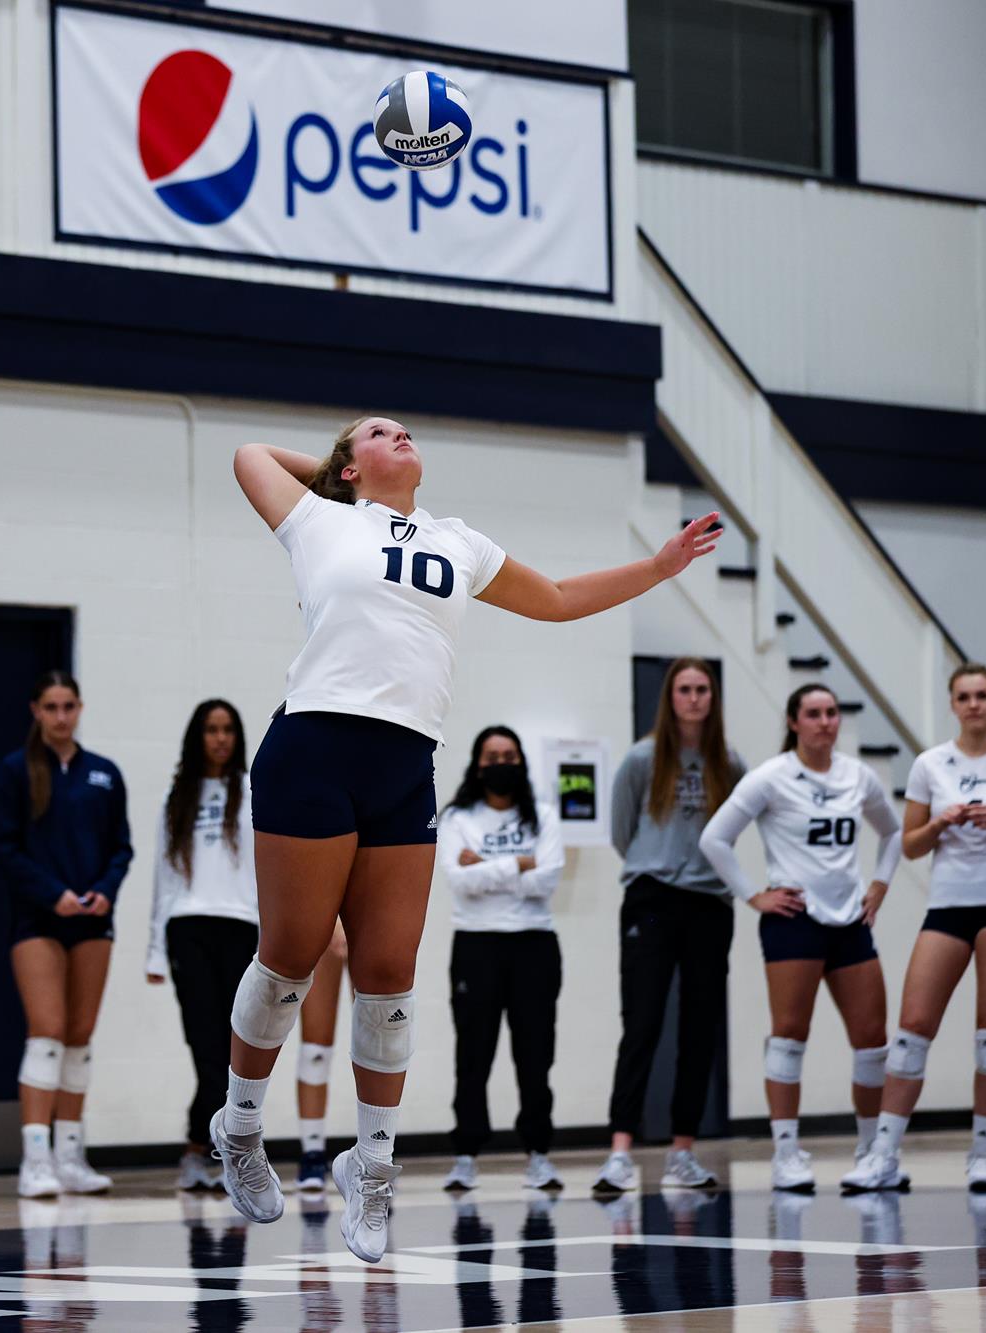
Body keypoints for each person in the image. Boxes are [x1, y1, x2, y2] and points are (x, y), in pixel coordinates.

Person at [210, 416, 720, 1263]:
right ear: (348, 464)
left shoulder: (460, 541)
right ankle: (241, 1125)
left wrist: (658, 568)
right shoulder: (318, 518)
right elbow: (247, 454)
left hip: (406, 758)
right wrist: (336, 475)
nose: (399, 433)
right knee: (293, 952)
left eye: (405, 428)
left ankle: (371, 1165)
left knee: (388, 971)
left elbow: (555, 599)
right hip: (314, 746)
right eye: (379, 432)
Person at [841, 664, 986, 1193]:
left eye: (983, 694)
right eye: (965, 696)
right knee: (912, 1029)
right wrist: (941, 823)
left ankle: (984, 1154)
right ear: (953, 704)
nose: (974, 704)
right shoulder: (931, 764)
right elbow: (909, 845)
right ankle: (883, 1154)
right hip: (948, 905)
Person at [698, 683, 901, 1193]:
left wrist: (879, 883)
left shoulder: (859, 776)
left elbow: (892, 832)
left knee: (873, 1042)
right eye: (813, 714)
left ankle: (872, 1152)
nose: (825, 722)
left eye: (832, 712)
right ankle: (786, 1154)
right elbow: (714, 839)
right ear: (793, 722)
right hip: (794, 920)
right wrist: (753, 895)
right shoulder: (771, 777)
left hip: (850, 921)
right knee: (789, 1037)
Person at [592, 659, 744, 1195]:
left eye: (703, 689)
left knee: (700, 1028)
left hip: (708, 904)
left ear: (713, 697)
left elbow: (730, 833)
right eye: (685, 689)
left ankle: (683, 1151)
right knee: (642, 1024)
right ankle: (619, 1154)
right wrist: (657, 866)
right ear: (670, 697)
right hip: (651, 899)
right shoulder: (640, 759)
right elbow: (622, 832)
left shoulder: (730, 763)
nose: (695, 698)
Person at [0, 671, 132, 1198]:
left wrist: (104, 890)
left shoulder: (104, 774)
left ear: (80, 708)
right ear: (35, 710)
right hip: (39, 919)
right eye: (50, 706)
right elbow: (5, 848)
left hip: (93, 919)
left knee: (80, 1035)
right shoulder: (15, 771)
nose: (60, 716)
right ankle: (35, 1159)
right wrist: (52, 893)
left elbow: (122, 847)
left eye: (68, 705)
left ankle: (70, 1156)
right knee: (47, 1029)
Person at [437, 725, 565, 1193]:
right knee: (473, 1054)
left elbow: (548, 879)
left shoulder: (544, 815)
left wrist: (487, 867)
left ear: (521, 763)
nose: (500, 763)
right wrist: (519, 864)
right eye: (492, 756)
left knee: (535, 1054)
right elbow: (458, 880)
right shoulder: (457, 818)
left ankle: (538, 1154)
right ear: (477, 764)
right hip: (476, 945)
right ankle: (466, 1155)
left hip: (534, 944)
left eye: (509, 755)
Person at [146, 699, 260, 1193]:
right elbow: (163, 876)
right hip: (187, 927)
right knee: (204, 1043)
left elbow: (266, 868)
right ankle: (212, 1150)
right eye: (211, 730)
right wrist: (154, 949)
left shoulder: (253, 790)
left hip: (239, 926)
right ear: (198, 738)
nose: (220, 738)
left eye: (227, 730)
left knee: (235, 1048)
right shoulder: (179, 796)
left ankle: (208, 1148)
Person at [291, 925, 347, 1194]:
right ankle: (312, 1153)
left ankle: (378, 1153)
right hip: (325, 918)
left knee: (378, 1044)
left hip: (373, 912)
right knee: (315, 1050)